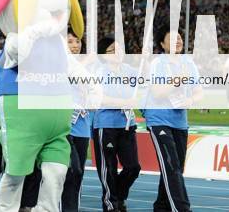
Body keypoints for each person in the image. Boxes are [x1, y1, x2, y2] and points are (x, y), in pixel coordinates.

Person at [144, 26, 201, 212]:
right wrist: (177, 80)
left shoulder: (189, 63)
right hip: (159, 118)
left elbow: (198, 91)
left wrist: (190, 99)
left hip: (180, 121)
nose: (177, 40)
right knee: (171, 166)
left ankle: (161, 207)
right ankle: (183, 209)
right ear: (162, 43)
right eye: (172, 38)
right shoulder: (157, 64)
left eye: (179, 37)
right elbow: (158, 92)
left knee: (174, 168)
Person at [92, 37, 141, 212]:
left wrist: (147, 58)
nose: (117, 52)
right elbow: (99, 98)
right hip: (106, 125)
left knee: (133, 167)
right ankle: (110, 204)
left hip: (127, 124)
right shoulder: (100, 72)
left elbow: (145, 81)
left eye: (119, 48)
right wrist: (122, 102)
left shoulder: (130, 71)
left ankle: (119, 196)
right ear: (104, 55)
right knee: (109, 169)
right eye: (112, 49)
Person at [62, 31, 91, 212]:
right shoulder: (58, 64)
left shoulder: (86, 67)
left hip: (82, 125)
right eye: (70, 41)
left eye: (77, 41)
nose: (75, 45)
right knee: (71, 171)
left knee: (78, 176)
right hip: (63, 126)